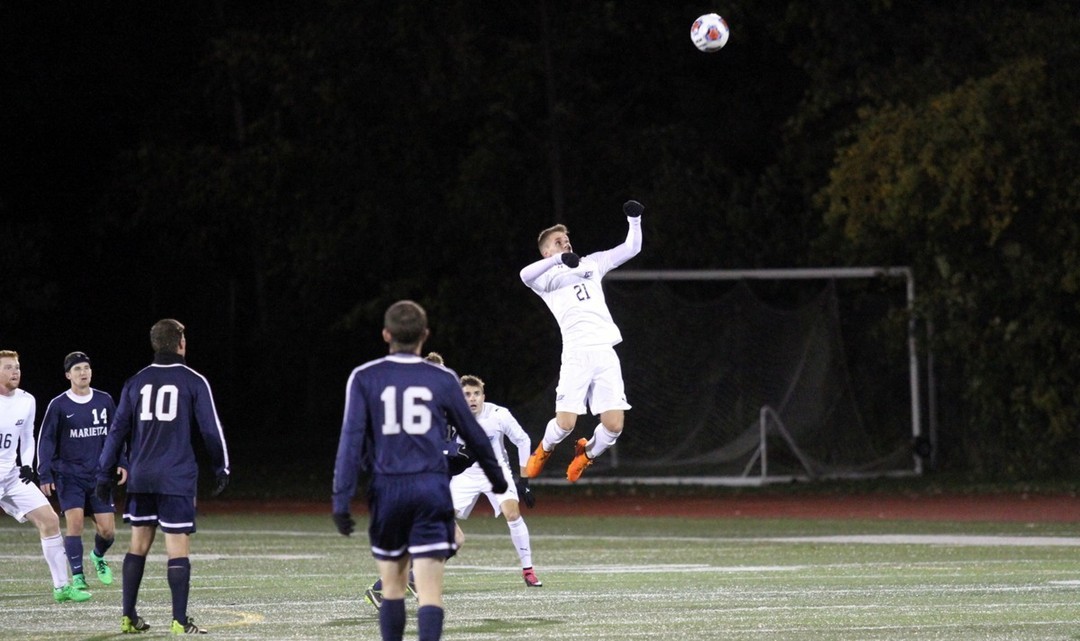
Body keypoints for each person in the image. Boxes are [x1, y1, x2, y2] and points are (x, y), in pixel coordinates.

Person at [332, 300, 508, 641]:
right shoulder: (442, 378)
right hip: (430, 489)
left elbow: (350, 443)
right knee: (430, 592)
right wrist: (498, 479)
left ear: (386, 334)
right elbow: (474, 435)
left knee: (394, 589)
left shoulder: (364, 377)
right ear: (424, 336)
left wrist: (341, 499)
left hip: (388, 489)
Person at [96, 319, 231, 635]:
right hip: (176, 477)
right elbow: (211, 430)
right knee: (177, 549)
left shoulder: (136, 381)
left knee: (138, 545)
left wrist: (103, 473)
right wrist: (221, 466)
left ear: (155, 344)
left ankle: (128, 616)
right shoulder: (194, 380)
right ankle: (179, 621)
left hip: (142, 476)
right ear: (181, 343)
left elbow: (117, 431)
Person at [520, 199, 644, 482]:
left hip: (604, 352)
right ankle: (544, 449)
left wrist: (634, 220)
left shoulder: (591, 263)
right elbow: (524, 275)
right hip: (577, 353)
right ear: (547, 251)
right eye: (558, 241)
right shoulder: (546, 278)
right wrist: (558, 261)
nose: (566, 243)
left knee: (614, 426)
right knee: (565, 424)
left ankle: (585, 454)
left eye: (567, 239)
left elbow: (632, 248)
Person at [0, 349, 92, 603]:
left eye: (16, 367)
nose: (14, 371)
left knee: (50, 520)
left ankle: (62, 587)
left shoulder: (26, 399)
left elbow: (27, 436)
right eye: (8, 367)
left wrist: (28, 465)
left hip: (11, 475)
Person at [37, 351, 126, 593]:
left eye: (86, 367)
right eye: (77, 369)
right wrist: (45, 473)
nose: (83, 372)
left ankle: (98, 555)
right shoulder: (58, 405)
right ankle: (77, 576)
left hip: (99, 476)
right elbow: (46, 441)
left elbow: (116, 434)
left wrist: (122, 461)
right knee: (74, 524)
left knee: (108, 531)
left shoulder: (104, 400)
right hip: (69, 476)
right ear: (68, 375)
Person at [452, 374, 541, 586]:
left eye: (476, 394)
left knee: (512, 513)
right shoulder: (451, 416)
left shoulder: (499, 415)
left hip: (496, 471)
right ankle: (417, 572)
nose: (472, 399)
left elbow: (523, 440)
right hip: (465, 474)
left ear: (484, 396)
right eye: (467, 395)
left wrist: (524, 481)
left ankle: (528, 570)